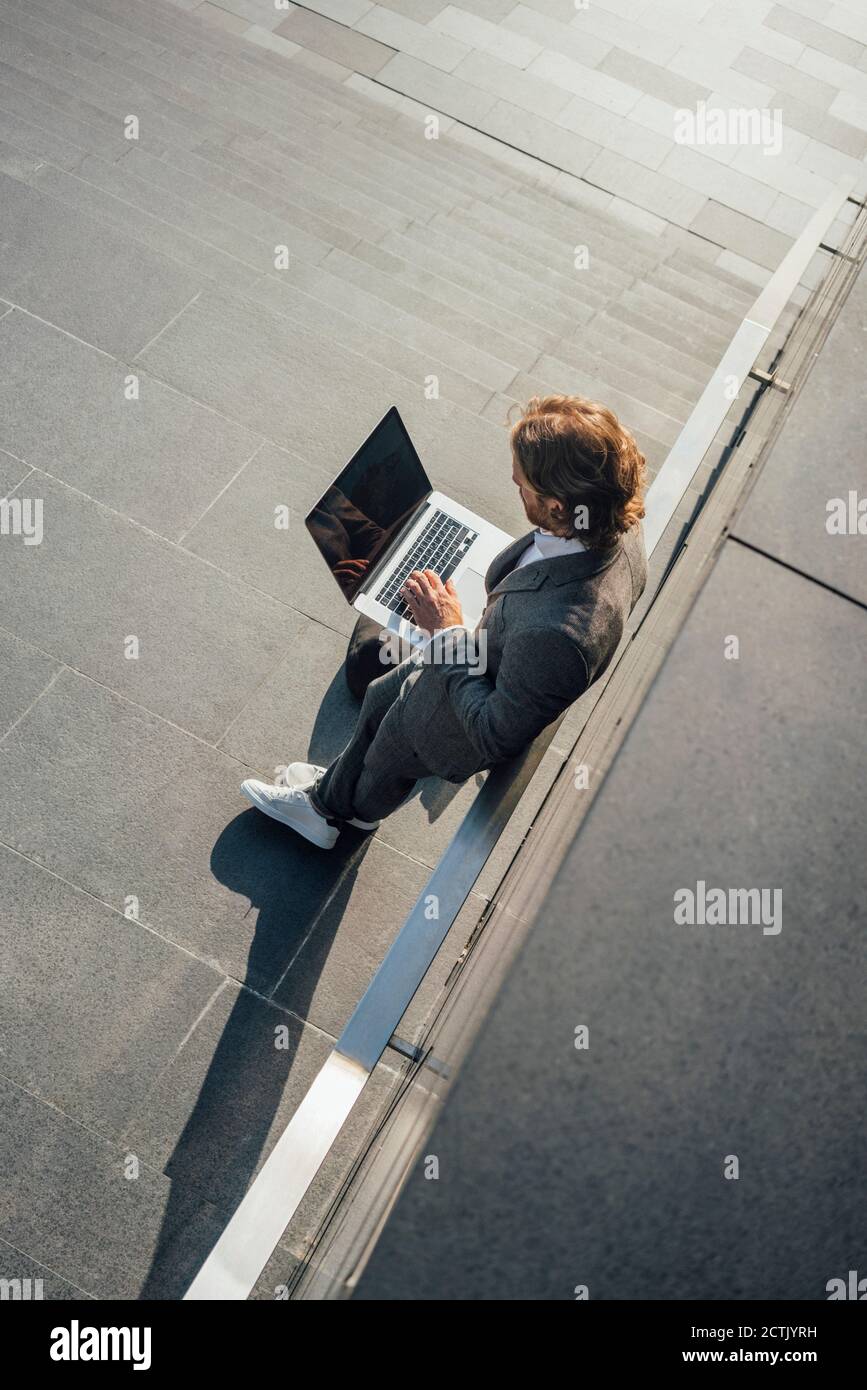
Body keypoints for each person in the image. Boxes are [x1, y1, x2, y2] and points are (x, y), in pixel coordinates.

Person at [241, 395, 649, 849]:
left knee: (394, 744)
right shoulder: (614, 523)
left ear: (557, 507)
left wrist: (449, 634)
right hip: (480, 650)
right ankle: (343, 797)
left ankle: (327, 814)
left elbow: (492, 735)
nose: (514, 488)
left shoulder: (559, 638)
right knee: (380, 702)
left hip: (455, 710)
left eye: (522, 487)